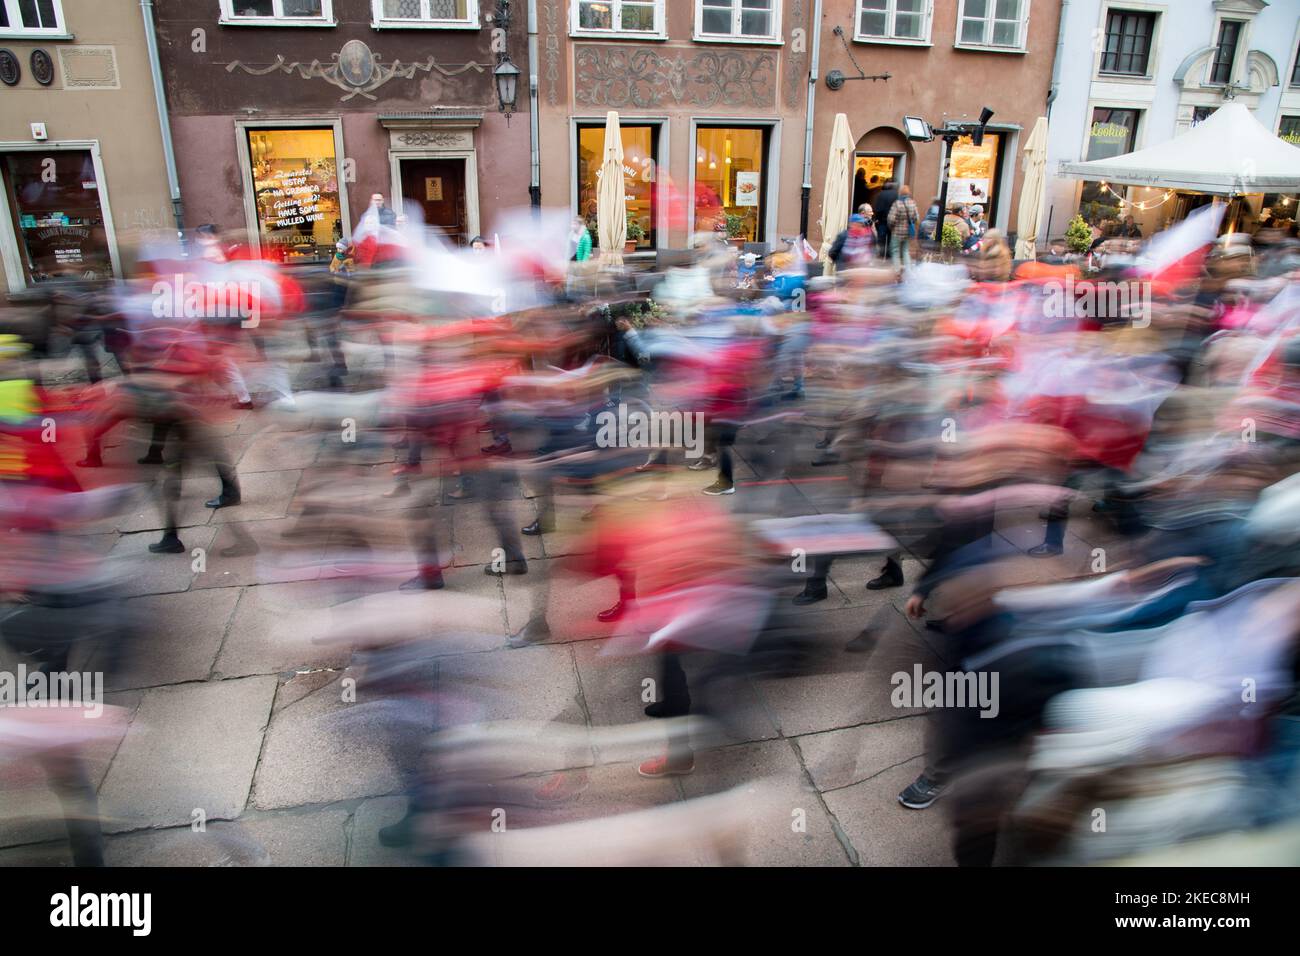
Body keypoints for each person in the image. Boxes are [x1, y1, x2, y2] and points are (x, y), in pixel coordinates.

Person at [887, 185, 920, 274]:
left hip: (897, 232)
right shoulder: (912, 203)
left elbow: (891, 219)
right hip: (907, 232)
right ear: (908, 193)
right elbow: (916, 218)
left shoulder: (897, 203)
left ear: (900, 193)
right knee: (905, 251)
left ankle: (897, 271)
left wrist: (891, 227)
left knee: (895, 251)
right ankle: (908, 270)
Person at [872, 180, 899, 257]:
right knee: (891, 238)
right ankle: (889, 254)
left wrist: (876, 218)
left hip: (882, 221)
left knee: (881, 238)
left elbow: (878, 208)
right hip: (893, 221)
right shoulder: (896, 195)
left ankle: (881, 254)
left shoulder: (881, 194)